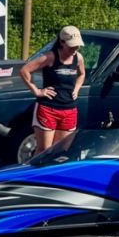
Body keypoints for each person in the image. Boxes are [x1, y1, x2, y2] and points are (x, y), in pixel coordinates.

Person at [19, 26, 87, 157]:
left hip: (69, 109)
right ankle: (34, 170)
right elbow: (24, 70)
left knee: (60, 150)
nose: (75, 49)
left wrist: (77, 88)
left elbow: (82, 74)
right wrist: (37, 91)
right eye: (72, 46)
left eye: (77, 46)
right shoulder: (50, 56)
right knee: (44, 150)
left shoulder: (78, 58)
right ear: (62, 42)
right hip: (48, 108)